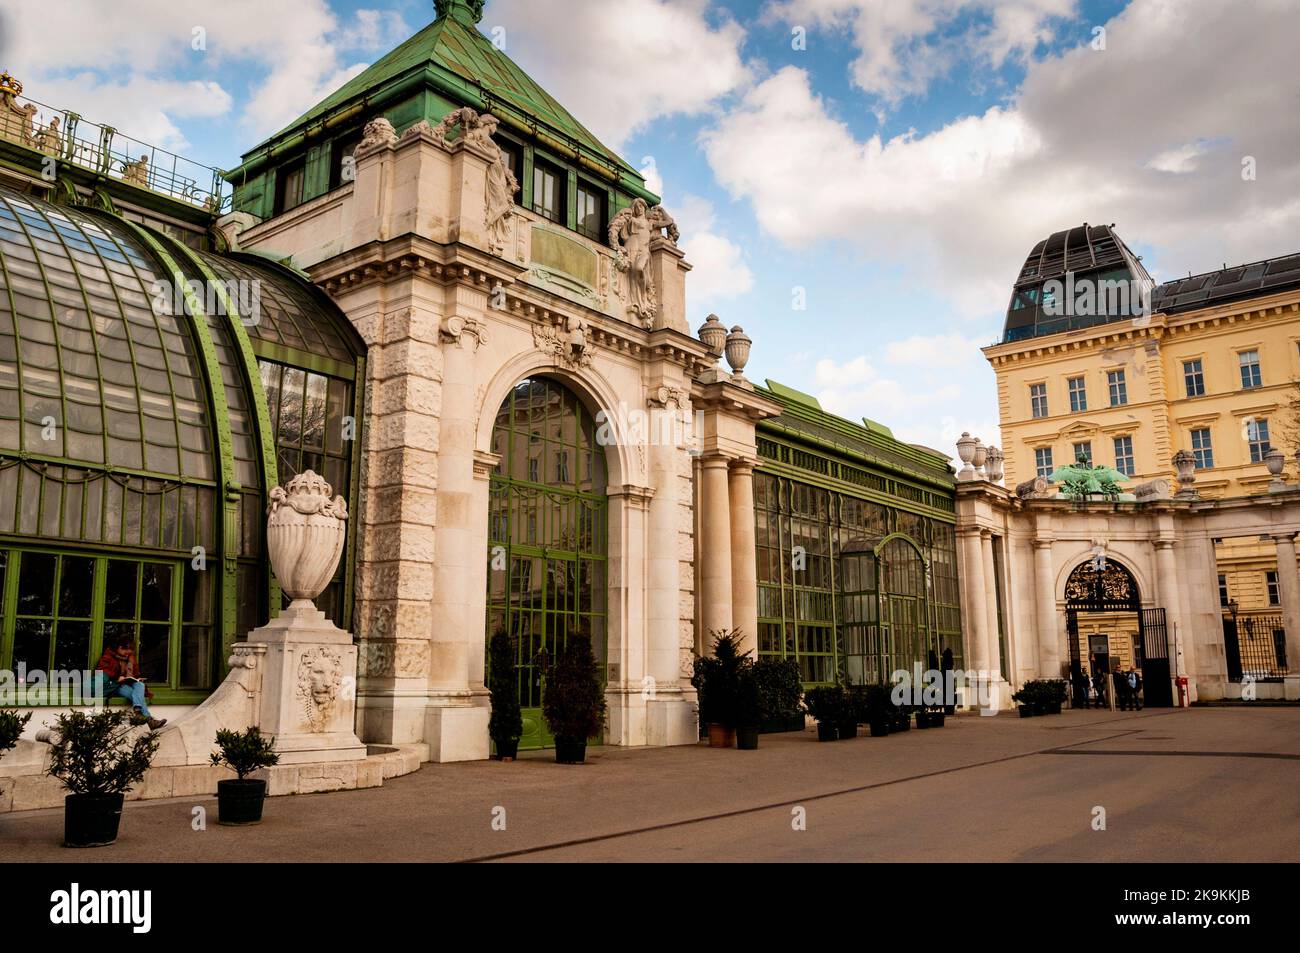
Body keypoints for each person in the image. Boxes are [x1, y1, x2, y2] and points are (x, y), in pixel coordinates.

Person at [94, 634, 166, 730]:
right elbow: (101, 672)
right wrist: (116, 678)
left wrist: (137, 678)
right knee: (136, 694)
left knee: (140, 685)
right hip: (116, 684)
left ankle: (138, 711)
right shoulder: (108, 657)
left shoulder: (130, 658)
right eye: (126, 652)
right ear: (120, 648)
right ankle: (148, 719)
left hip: (127, 682)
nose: (128, 655)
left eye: (129, 653)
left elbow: (135, 673)